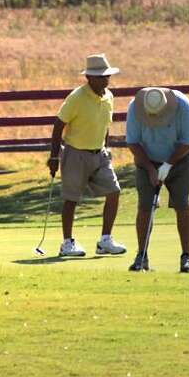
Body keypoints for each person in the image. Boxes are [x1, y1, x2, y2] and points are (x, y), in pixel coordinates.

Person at [46, 53, 126, 259]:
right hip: (75, 153)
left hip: (100, 154)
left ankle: (105, 240)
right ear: (89, 78)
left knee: (114, 192)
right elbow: (58, 125)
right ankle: (67, 243)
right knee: (71, 199)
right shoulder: (77, 97)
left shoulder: (109, 97)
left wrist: (107, 148)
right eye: (101, 77)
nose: (105, 80)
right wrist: (54, 157)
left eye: (107, 76)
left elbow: (105, 125)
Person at [124, 85, 189, 273]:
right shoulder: (135, 107)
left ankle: (186, 257)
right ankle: (141, 256)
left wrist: (168, 164)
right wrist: (150, 169)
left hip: (180, 160)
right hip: (146, 160)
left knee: (182, 205)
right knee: (145, 207)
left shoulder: (183, 105)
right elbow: (133, 142)